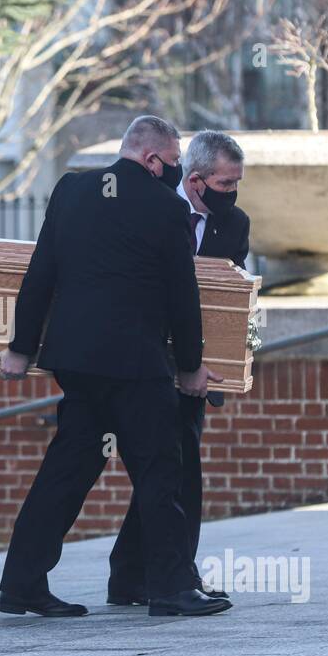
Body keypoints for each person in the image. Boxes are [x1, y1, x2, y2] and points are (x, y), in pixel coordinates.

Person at [0, 115, 231, 618]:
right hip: (136, 364)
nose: (176, 170)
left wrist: (20, 346)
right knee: (161, 472)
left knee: (66, 472)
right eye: (174, 161)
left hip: (75, 361)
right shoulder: (166, 207)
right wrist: (190, 367)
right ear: (151, 158)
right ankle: (168, 588)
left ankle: (21, 583)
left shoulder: (71, 190)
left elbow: (41, 272)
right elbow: (182, 296)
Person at [108, 130, 250, 606]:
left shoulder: (235, 226)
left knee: (176, 473)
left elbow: (219, 299)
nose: (233, 194)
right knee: (166, 474)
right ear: (195, 180)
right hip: (141, 359)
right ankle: (164, 578)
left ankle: (141, 575)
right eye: (226, 184)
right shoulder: (151, 209)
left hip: (193, 368)